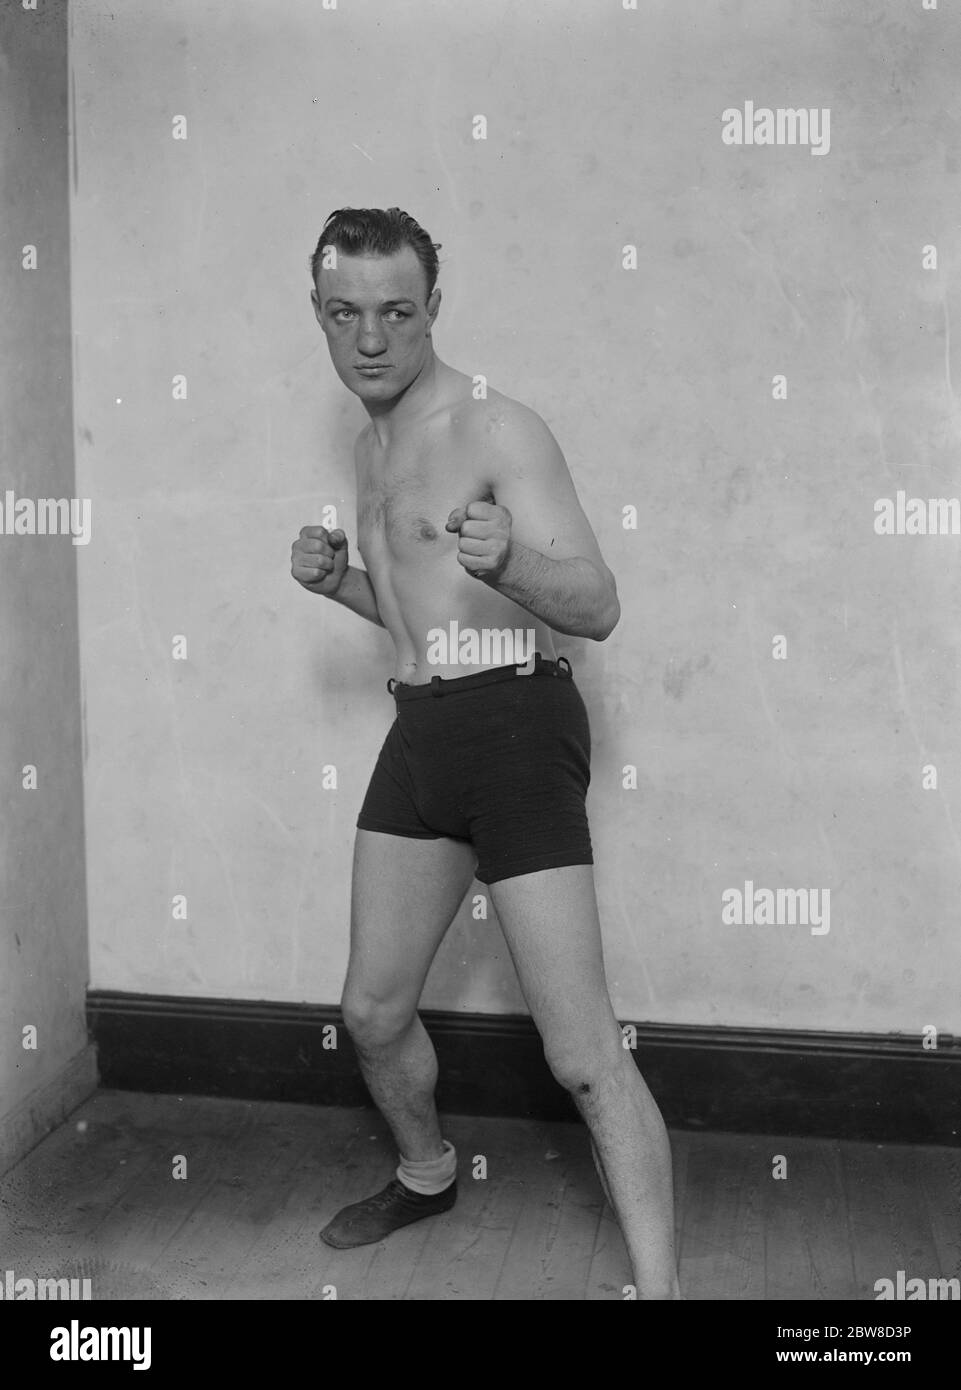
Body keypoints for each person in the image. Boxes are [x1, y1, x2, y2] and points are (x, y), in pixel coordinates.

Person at [291, 207, 680, 1299]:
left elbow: (596, 605)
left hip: (515, 725)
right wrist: (345, 586)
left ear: (431, 312)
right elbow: (424, 619)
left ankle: (662, 1291)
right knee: (369, 1012)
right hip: (422, 728)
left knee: (581, 1057)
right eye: (345, 314)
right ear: (317, 315)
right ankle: (424, 1173)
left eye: (396, 314)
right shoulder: (371, 443)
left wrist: (513, 564)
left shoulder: (499, 428)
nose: (371, 339)